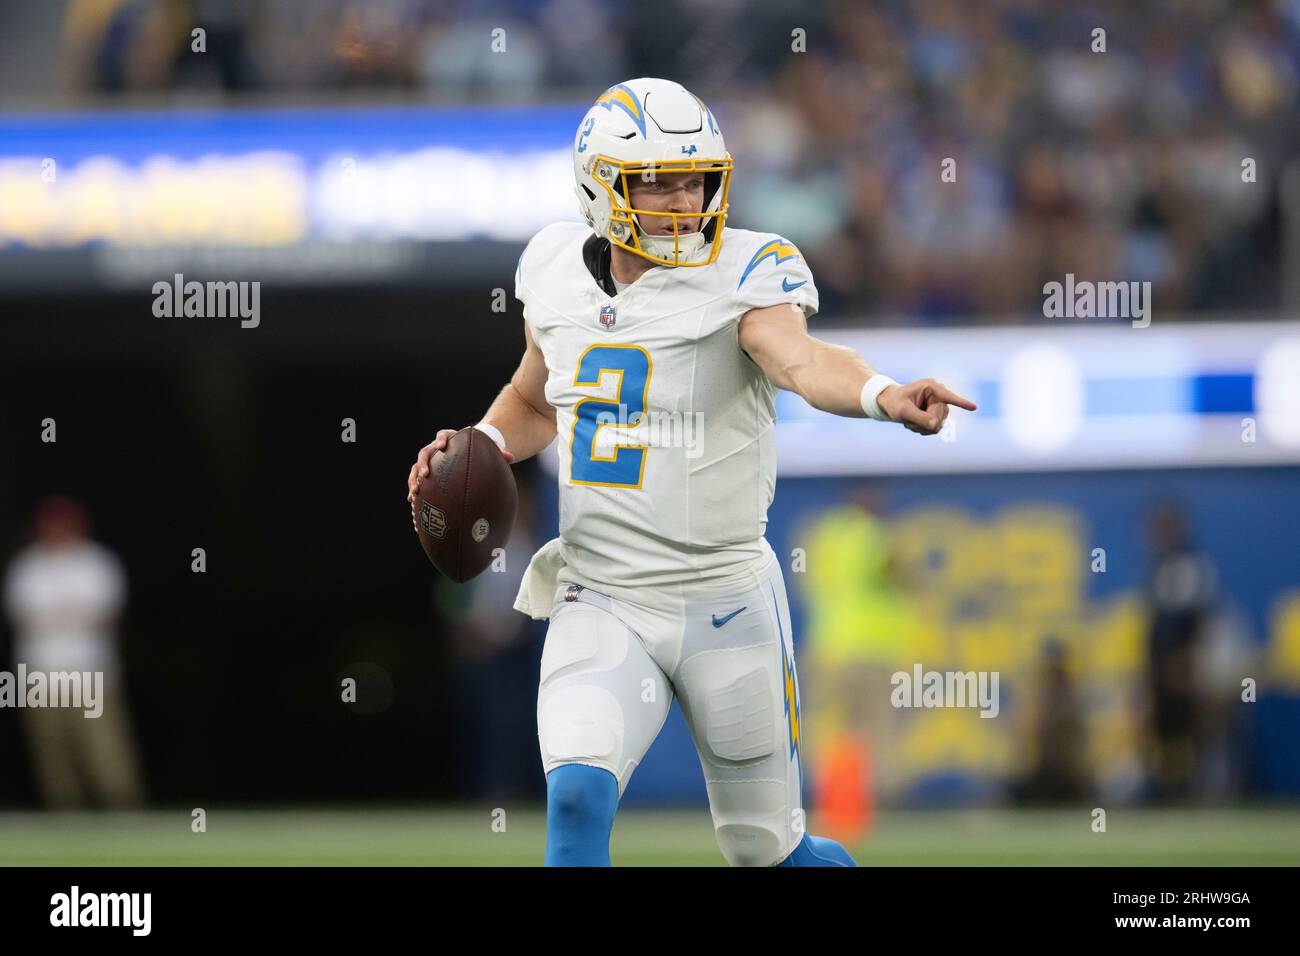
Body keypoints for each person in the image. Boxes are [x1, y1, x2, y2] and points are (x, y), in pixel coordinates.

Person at [406, 78, 975, 866]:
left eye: (693, 180)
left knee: (768, 856)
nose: (682, 200)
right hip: (602, 590)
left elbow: (804, 361)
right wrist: (479, 443)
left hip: (725, 597)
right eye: (658, 182)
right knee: (575, 795)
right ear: (600, 187)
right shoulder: (553, 270)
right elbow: (536, 400)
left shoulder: (747, 269)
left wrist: (882, 394)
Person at [2, 495, 146, 809]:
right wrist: (71, 615)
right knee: (52, 750)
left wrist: (59, 618)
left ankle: (123, 809)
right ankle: (65, 813)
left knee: (104, 746)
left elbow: (103, 614)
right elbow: (27, 620)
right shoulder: (28, 568)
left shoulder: (97, 563)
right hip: (41, 673)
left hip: (90, 671)